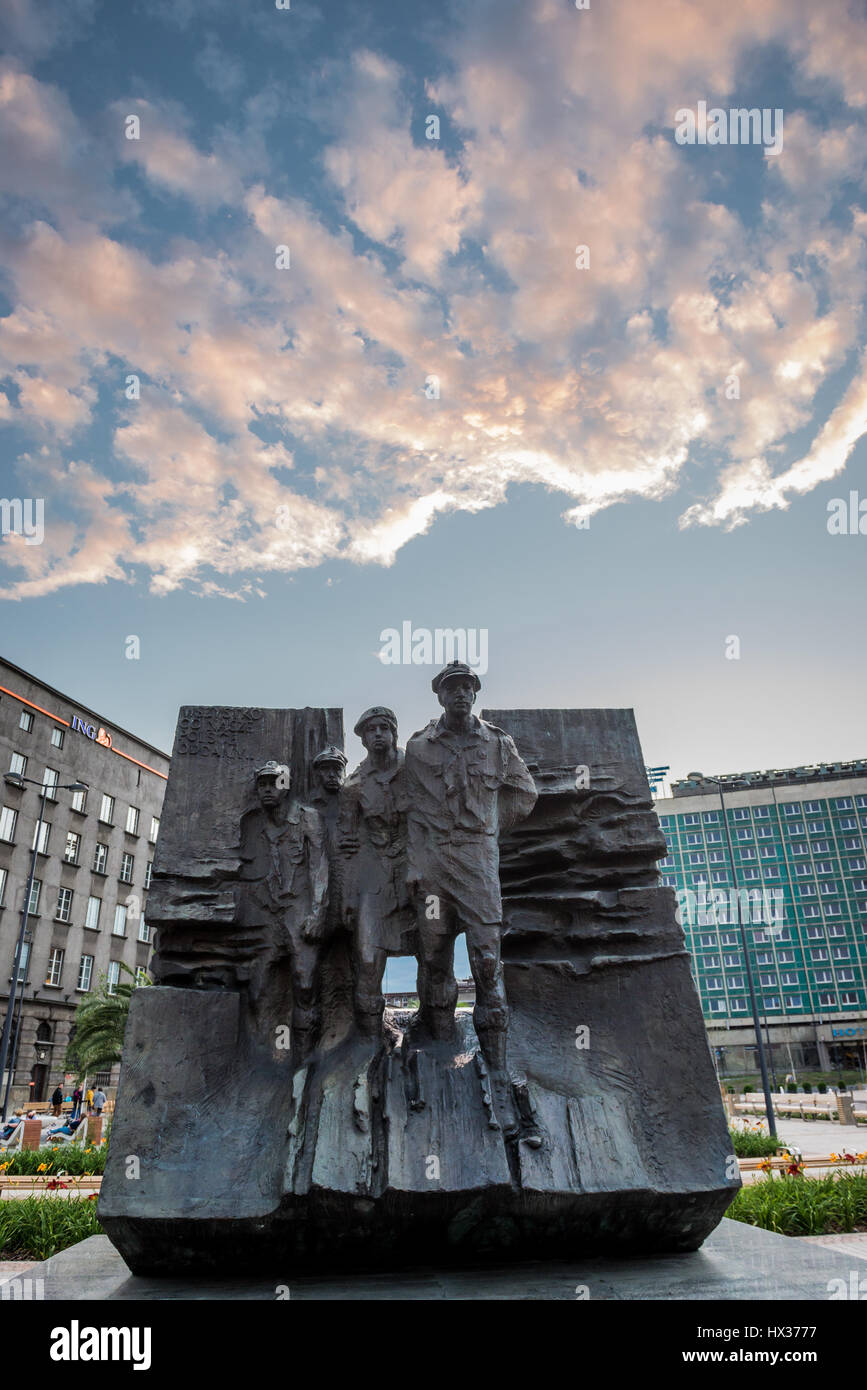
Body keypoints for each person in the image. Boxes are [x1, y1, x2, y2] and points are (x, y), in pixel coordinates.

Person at [404, 661, 537, 1135]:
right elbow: (411, 811)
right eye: (452, 688)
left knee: (486, 960)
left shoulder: (498, 744)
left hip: (478, 862)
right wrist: (418, 866)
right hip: (435, 865)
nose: (461, 694)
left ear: (475, 694)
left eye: (467, 687)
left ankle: (498, 1070)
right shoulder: (418, 748)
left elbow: (525, 794)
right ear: (439, 696)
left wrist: (487, 826)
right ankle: (441, 1049)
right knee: (434, 954)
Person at [238, 760, 329, 1061]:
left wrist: (317, 912)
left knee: (304, 984)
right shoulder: (255, 824)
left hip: (300, 910)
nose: (267, 790)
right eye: (262, 785)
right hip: (267, 912)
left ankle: (304, 1060)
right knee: (256, 987)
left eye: (273, 783)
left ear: (286, 786)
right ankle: (263, 1057)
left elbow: (319, 868)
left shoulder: (308, 819)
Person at [339, 708, 415, 1036]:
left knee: (434, 950)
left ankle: (436, 1034)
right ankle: (369, 1042)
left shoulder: (416, 769)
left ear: (395, 732)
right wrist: (348, 896)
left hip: (417, 871)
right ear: (364, 738)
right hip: (377, 876)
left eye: (385, 727)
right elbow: (347, 847)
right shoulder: (353, 787)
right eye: (372, 730)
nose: (379, 734)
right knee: (368, 959)